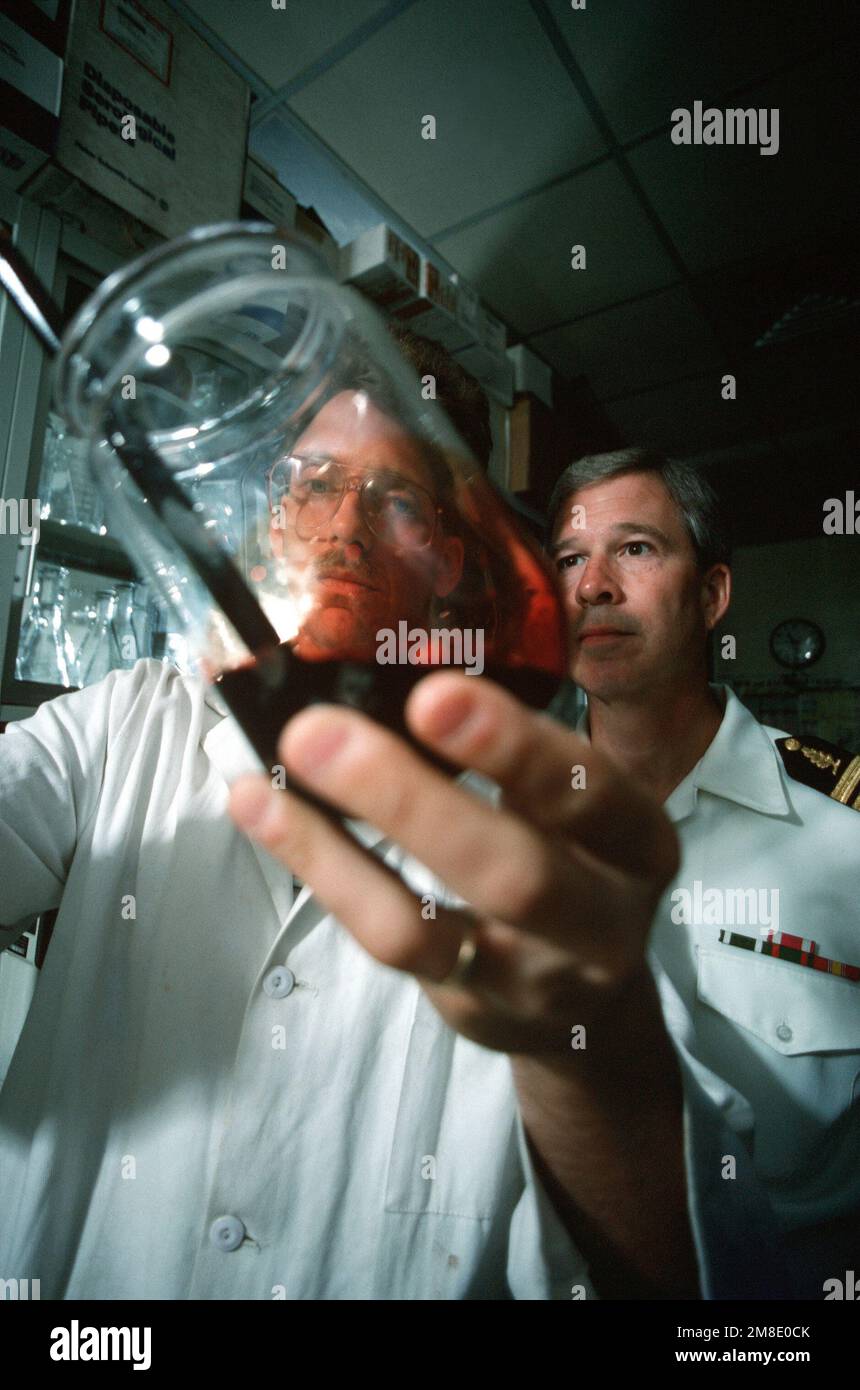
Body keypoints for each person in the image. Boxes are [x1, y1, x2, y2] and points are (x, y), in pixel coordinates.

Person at [2, 329, 675, 1301]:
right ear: (276, 524)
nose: (344, 529)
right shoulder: (126, 721)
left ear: (447, 561)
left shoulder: (537, 841)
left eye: (394, 499)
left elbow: (653, 1270)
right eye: (314, 484)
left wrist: (583, 1059)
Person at [538, 447, 860, 1297]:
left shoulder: (843, 834)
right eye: (570, 559)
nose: (593, 587)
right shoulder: (502, 813)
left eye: (635, 549)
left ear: (712, 595)